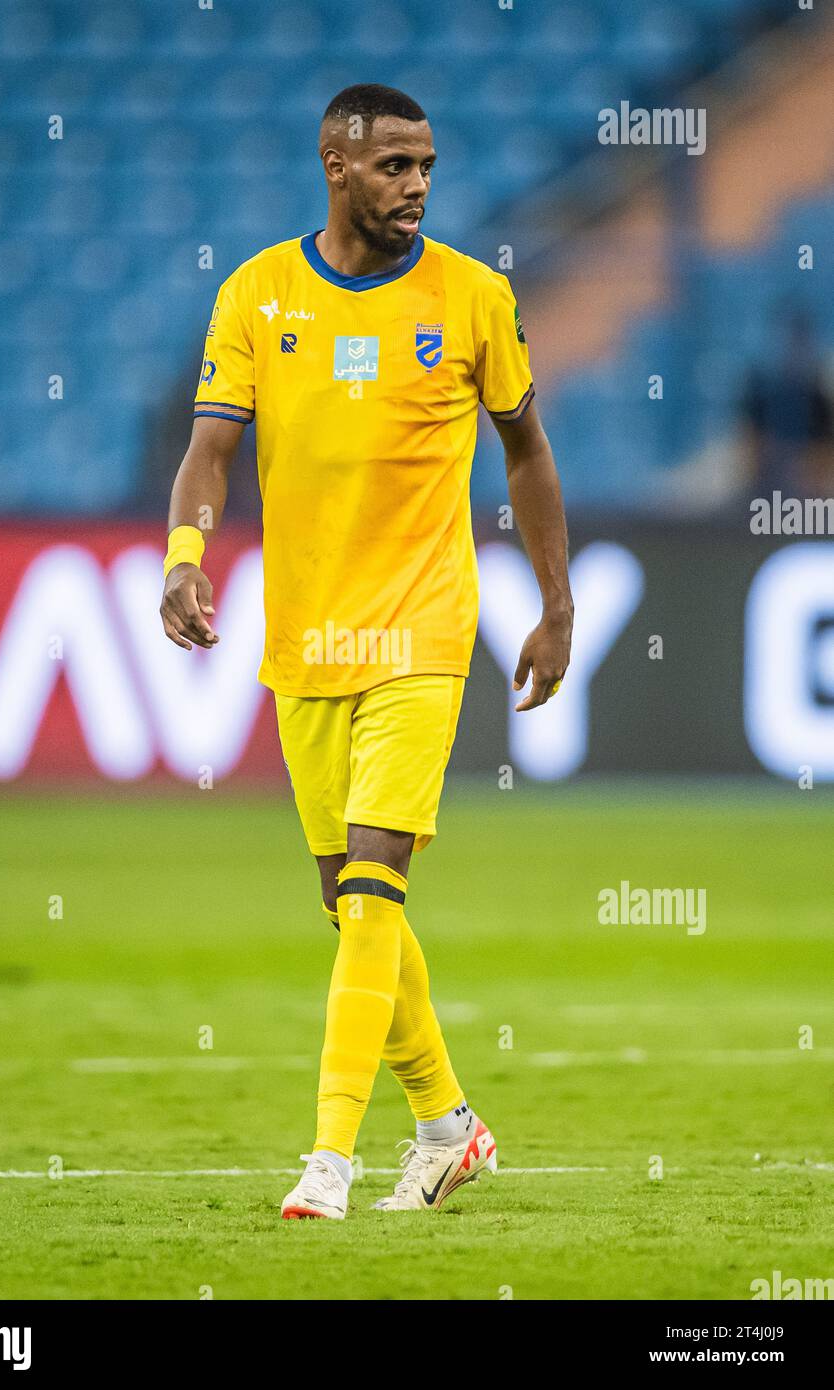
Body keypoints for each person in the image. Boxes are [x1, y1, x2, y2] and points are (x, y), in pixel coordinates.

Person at [160, 85, 573, 1219]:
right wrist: (185, 554)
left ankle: (327, 1157)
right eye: (394, 165)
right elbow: (207, 453)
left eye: (427, 164)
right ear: (337, 166)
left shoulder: (474, 297)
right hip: (306, 635)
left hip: (423, 631)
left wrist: (557, 604)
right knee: (349, 899)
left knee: (376, 883)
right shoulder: (257, 293)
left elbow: (528, 452)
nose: (418, 184)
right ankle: (447, 1125)